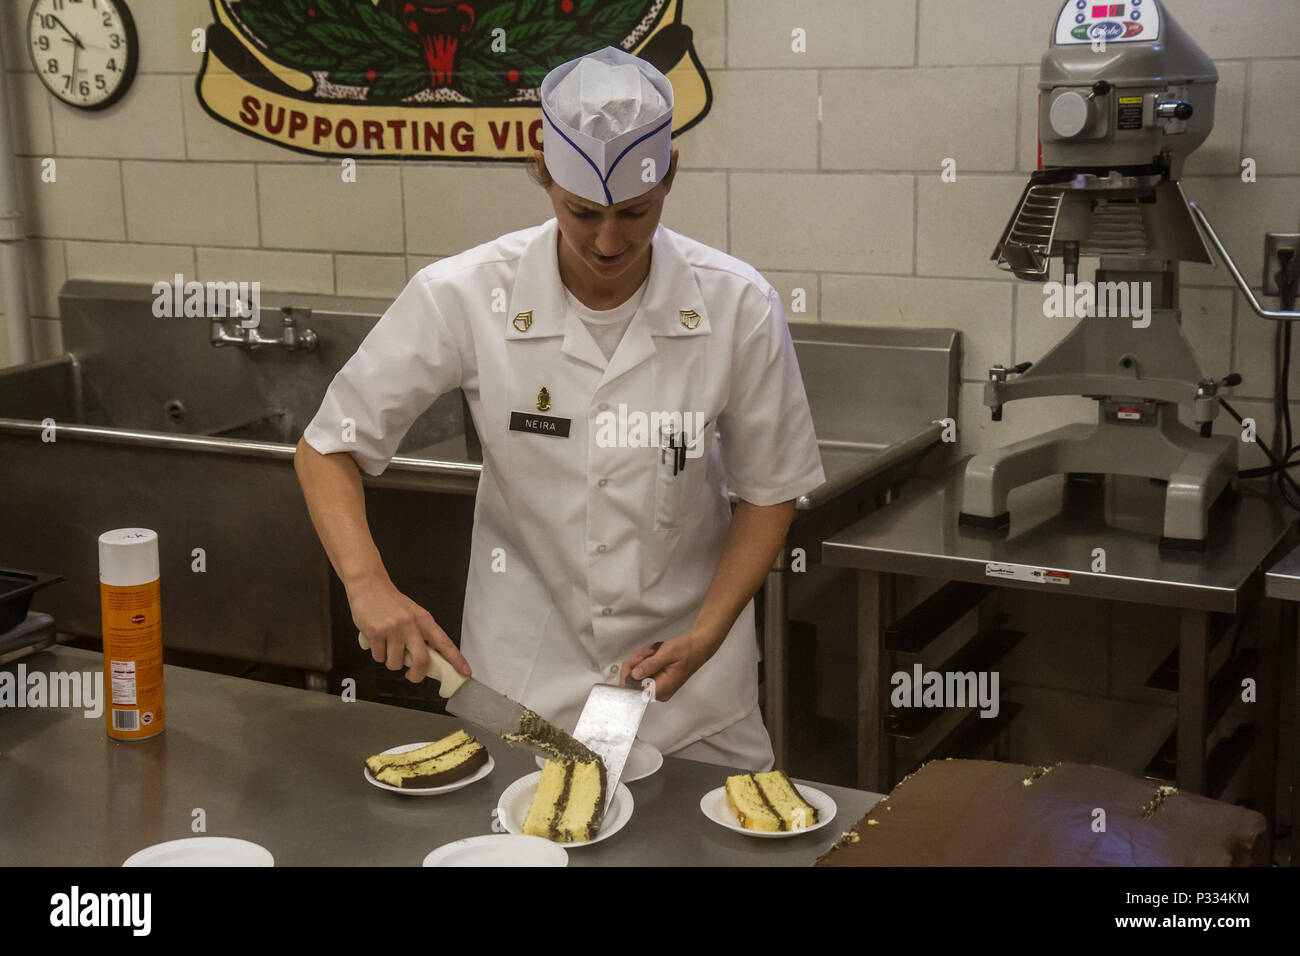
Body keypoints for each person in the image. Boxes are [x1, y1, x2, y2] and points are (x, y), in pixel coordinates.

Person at [294, 46, 824, 771]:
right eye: (583, 212)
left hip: (691, 699)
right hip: (524, 694)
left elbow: (770, 492)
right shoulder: (463, 295)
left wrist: (710, 633)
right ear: (543, 174)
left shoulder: (738, 307)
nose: (609, 242)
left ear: (669, 175)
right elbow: (329, 446)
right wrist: (368, 585)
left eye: (635, 212)